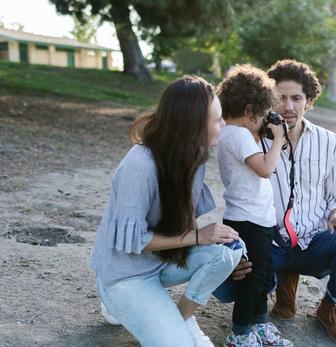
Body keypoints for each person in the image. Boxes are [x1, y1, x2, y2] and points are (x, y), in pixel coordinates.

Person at [214, 60, 336, 346]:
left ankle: (330, 307)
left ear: (308, 102)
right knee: (228, 285)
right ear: (266, 103)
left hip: (312, 242)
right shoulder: (252, 140)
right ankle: (280, 291)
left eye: (296, 98)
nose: (287, 106)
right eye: (279, 98)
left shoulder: (329, 141)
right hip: (269, 242)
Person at [91, 76, 245, 347]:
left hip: (161, 262)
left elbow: (181, 223)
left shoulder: (193, 156)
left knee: (230, 248)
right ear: (192, 125)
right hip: (127, 274)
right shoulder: (139, 165)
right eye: (217, 120)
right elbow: (131, 243)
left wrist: (210, 244)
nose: (223, 125)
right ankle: (114, 300)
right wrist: (197, 237)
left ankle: (181, 318)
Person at [215, 64, 292, 347]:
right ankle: (239, 333)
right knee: (253, 278)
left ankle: (258, 326)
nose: (263, 120)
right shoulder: (237, 135)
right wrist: (279, 139)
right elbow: (264, 169)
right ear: (250, 110)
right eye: (261, 115)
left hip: (256, 218)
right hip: (248, 219)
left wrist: (264, 136)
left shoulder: (234, 133)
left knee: (262, 275)